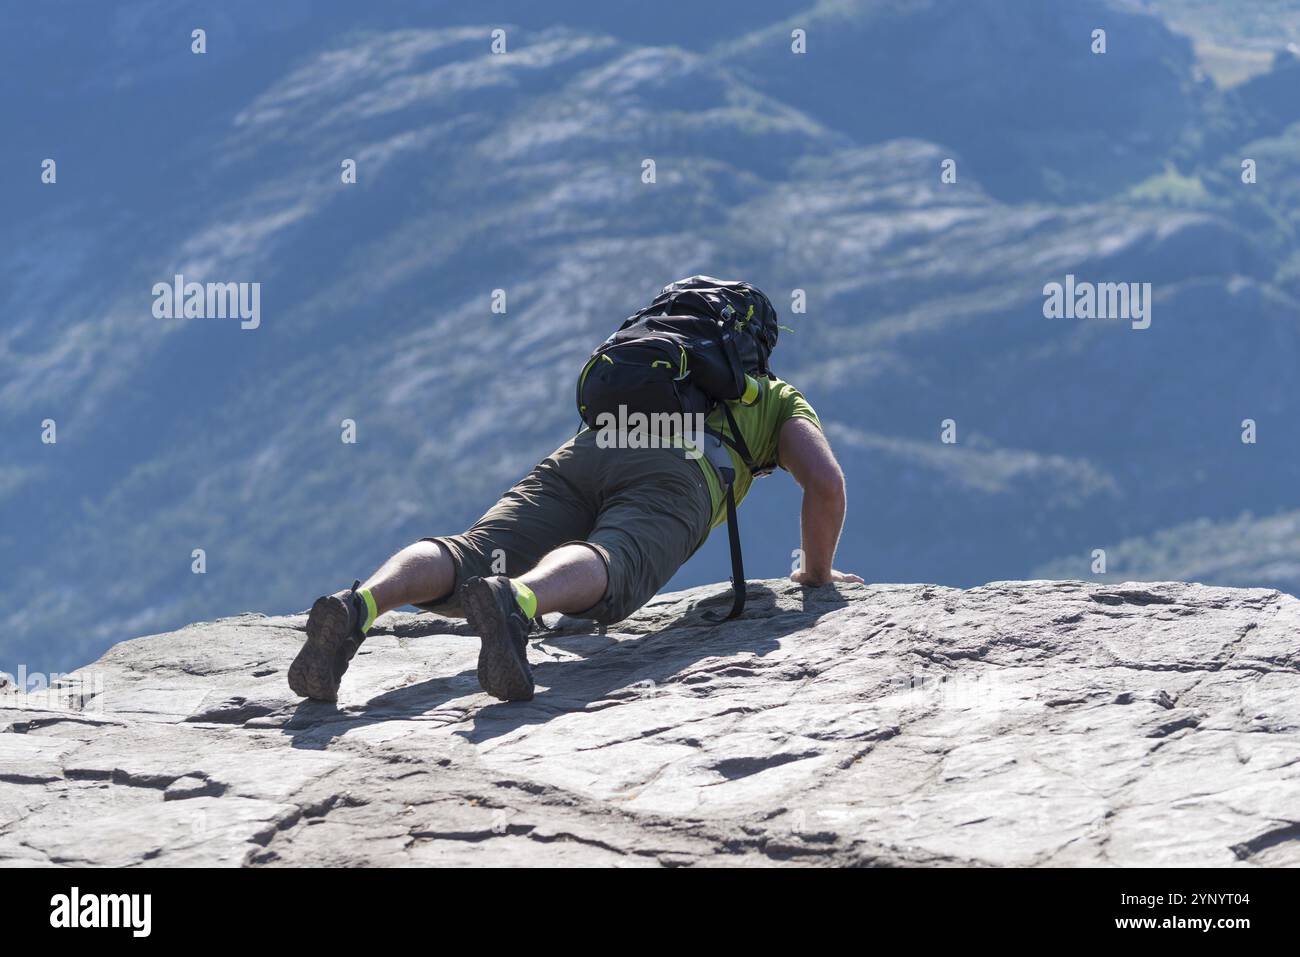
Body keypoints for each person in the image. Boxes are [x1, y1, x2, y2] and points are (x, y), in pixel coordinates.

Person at [288, 285, 862, 704]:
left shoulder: (659, 362)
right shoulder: (774, 397)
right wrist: (816, 574)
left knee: (469, 551)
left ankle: (357, 605)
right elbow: (826, 484)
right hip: (676, 473)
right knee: (615, 556)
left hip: (585, 452)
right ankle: (518, 601)